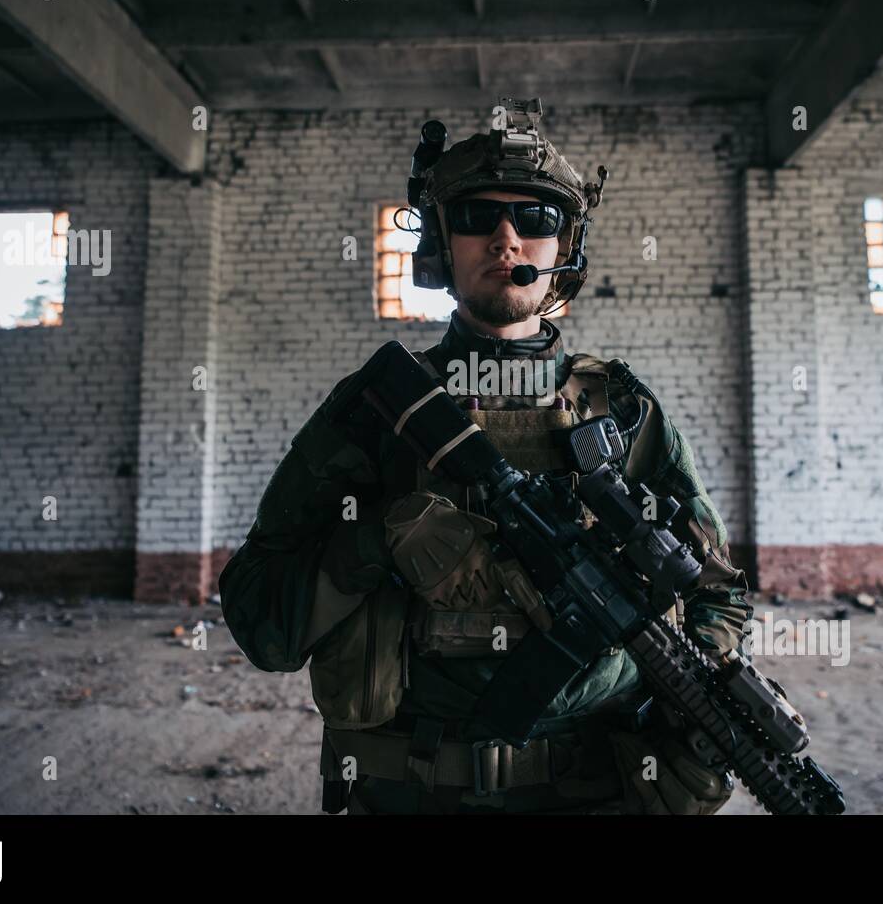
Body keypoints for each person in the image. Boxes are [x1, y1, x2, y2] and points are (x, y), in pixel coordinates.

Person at [219, 99, 753, 814]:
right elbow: (261, 622)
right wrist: (374, 539)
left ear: (564, 248)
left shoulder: (620, 411)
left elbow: (719, 591)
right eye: (477, 217)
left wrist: (693, 695)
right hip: (410, 790)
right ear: (441, 244)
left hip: (596, 791)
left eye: (536, 220)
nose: (507, 238)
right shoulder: (378, 410)